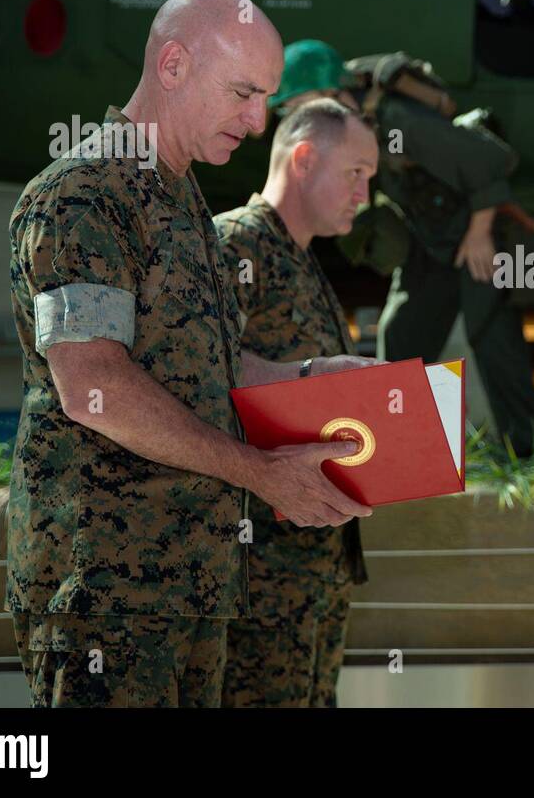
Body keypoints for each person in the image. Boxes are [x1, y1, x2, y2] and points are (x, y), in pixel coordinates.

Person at [6, 0, 374, 708]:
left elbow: (203, 366)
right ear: (172, 64)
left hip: (194, 588)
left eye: (265, 96)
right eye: (242, 91)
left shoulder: (181, 203)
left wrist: (306, 375)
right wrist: (261, 472)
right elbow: (94, 387)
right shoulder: (85, 194)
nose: (256, 117)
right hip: (108, 595)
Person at [214, 98, 379, 707]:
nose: (365, 194)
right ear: (304, 159)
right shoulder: (238, 245)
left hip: (315, 571)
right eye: (356, 173)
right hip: (260, 572)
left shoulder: (303, 263)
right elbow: (198, 378)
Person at [338, 51, 534, 456]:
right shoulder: (355, 129)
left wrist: (480, 233)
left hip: (476, 236)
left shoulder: (398, 119)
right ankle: (392, 453)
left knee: (491, 338)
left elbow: (491, 158)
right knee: (401, 334)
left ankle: (531, 455)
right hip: (432, 244)